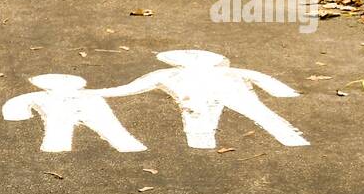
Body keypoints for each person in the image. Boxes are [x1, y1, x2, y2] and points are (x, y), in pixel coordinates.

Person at [121, 50, 308, 149]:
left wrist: (282, 91)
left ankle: (291, 137)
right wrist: (282, 91)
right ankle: (291, 138)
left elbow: (132, 87)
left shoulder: (169, 73)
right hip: (225, 95)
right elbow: (133, 87)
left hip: (231, 94)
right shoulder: (168, 73)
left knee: (260, 113)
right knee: (260, 114)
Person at [2, 74, 147, 153]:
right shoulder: (92, 96)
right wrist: (16, 113)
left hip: (83, 107)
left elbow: (17, 104)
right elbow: (17, 104)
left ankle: (56, 147)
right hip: (80, 107)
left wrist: (16, 114)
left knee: (108, 125)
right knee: (110, 127)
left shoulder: (41, 96)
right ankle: (129, 145)